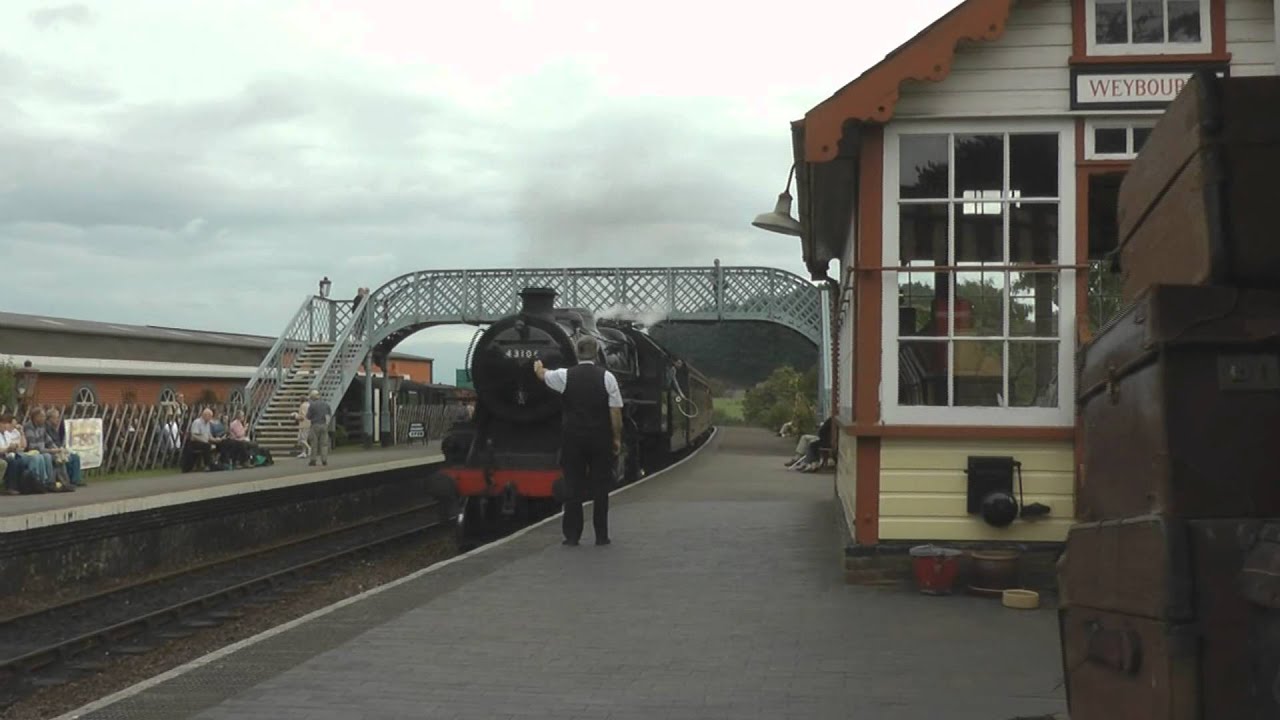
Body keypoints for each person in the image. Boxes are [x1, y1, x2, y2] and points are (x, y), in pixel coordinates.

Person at [533, 335, 624, 547]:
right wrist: (616, 438)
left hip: (573, 439)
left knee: (573, 487)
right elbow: (616, 412)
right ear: (595, 353)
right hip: (600, 439)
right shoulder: (607, 377)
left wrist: (537, 365)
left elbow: (542, 375)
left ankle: (572, 536)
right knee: (601, 488)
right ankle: (601, 536)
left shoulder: (565, 376)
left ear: (576, 352)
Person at [305, 390, 332, 467]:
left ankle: (313, 460)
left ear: (312, 397)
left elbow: (308, 416)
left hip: (315, 425)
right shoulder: (326, 404)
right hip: (324, 425)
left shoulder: (312, 405)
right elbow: (329, 414)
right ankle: (324, 460)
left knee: (314, 443)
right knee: (324, 444)